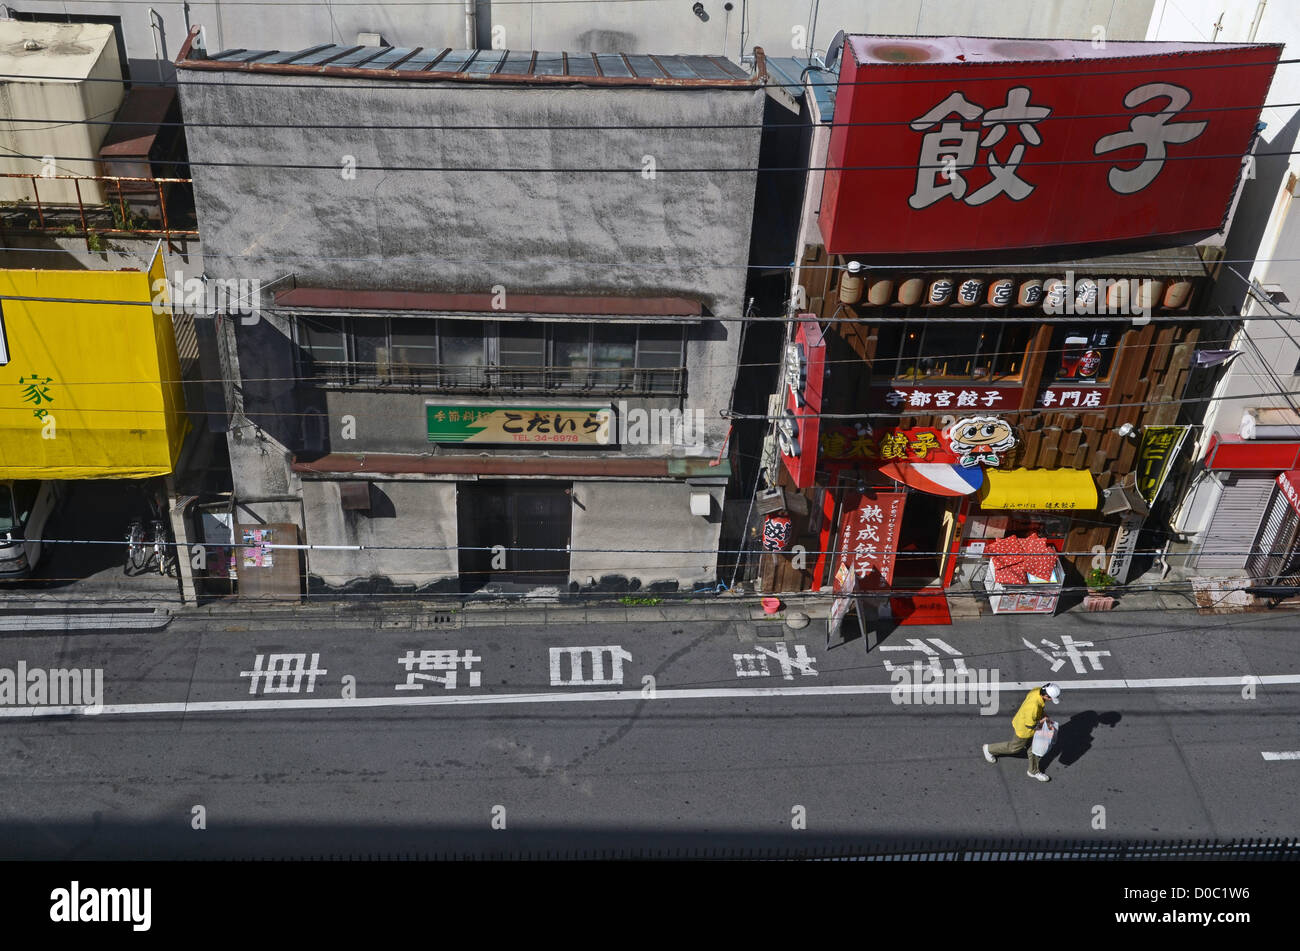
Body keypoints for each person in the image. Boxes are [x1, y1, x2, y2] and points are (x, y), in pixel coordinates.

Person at [983, 683, 1061, 782]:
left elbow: (1037, 713)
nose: (1050, 700)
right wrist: (1044, 720)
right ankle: (989, 749)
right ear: (1045, 695)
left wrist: (1043, 716)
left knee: (1035, 748)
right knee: (1014, 748)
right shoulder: (1033, 707)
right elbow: (1030, 725)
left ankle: (1033, 771)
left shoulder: (1037, 691)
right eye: (1050, 698)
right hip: (1024, 731)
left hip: (1023, 722)